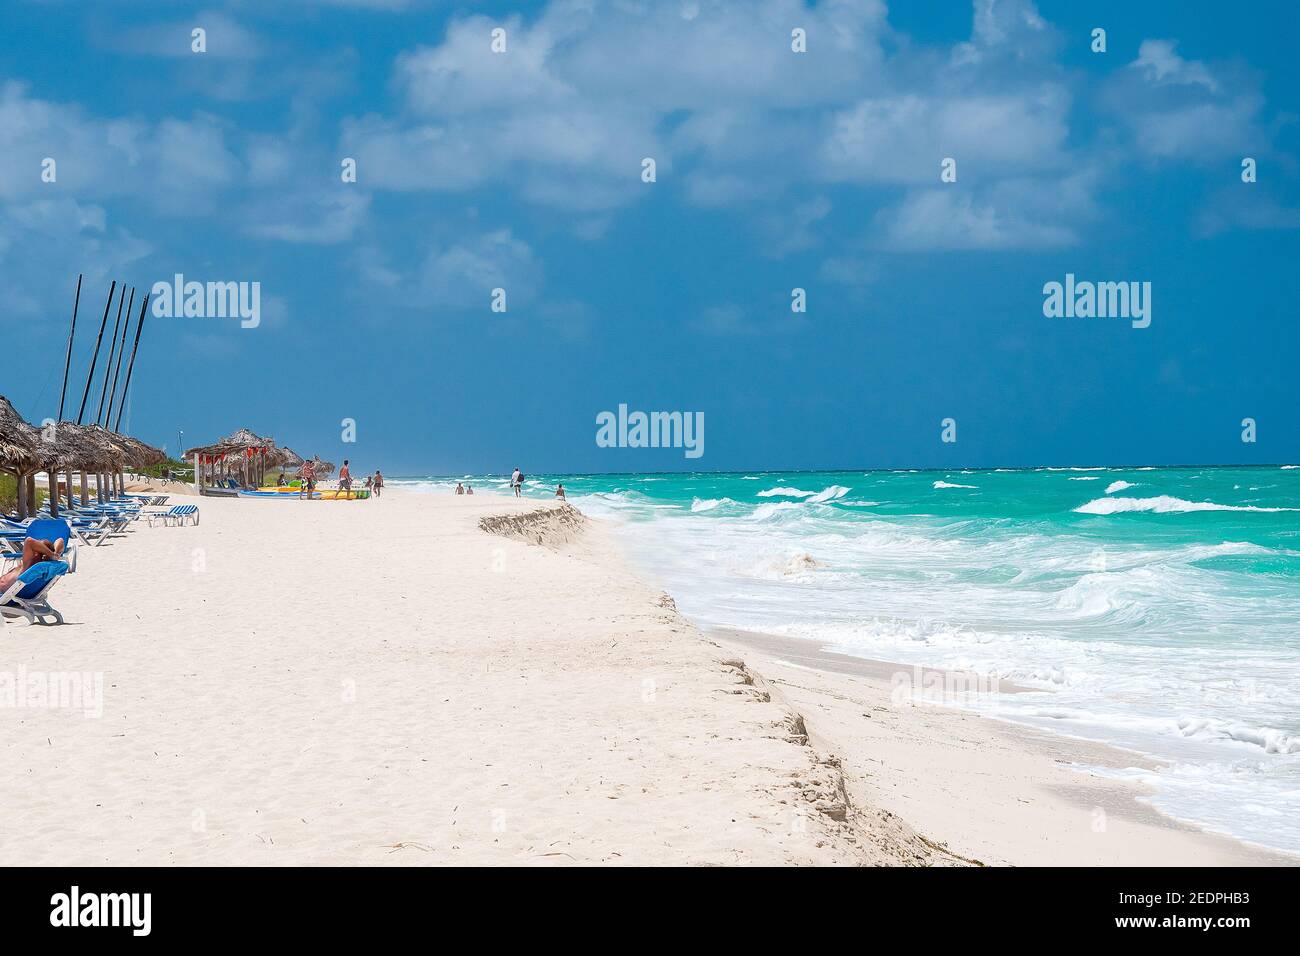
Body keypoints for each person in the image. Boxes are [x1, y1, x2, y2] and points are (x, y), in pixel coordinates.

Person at [0, 537, 65, 592]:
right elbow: (60, 540)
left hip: (4, 592)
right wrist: (55, 553)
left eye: (35, 550)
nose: (32, 552)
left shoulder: (29, 565)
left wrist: (52, 555)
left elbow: (29, 541)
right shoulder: (36, 568)